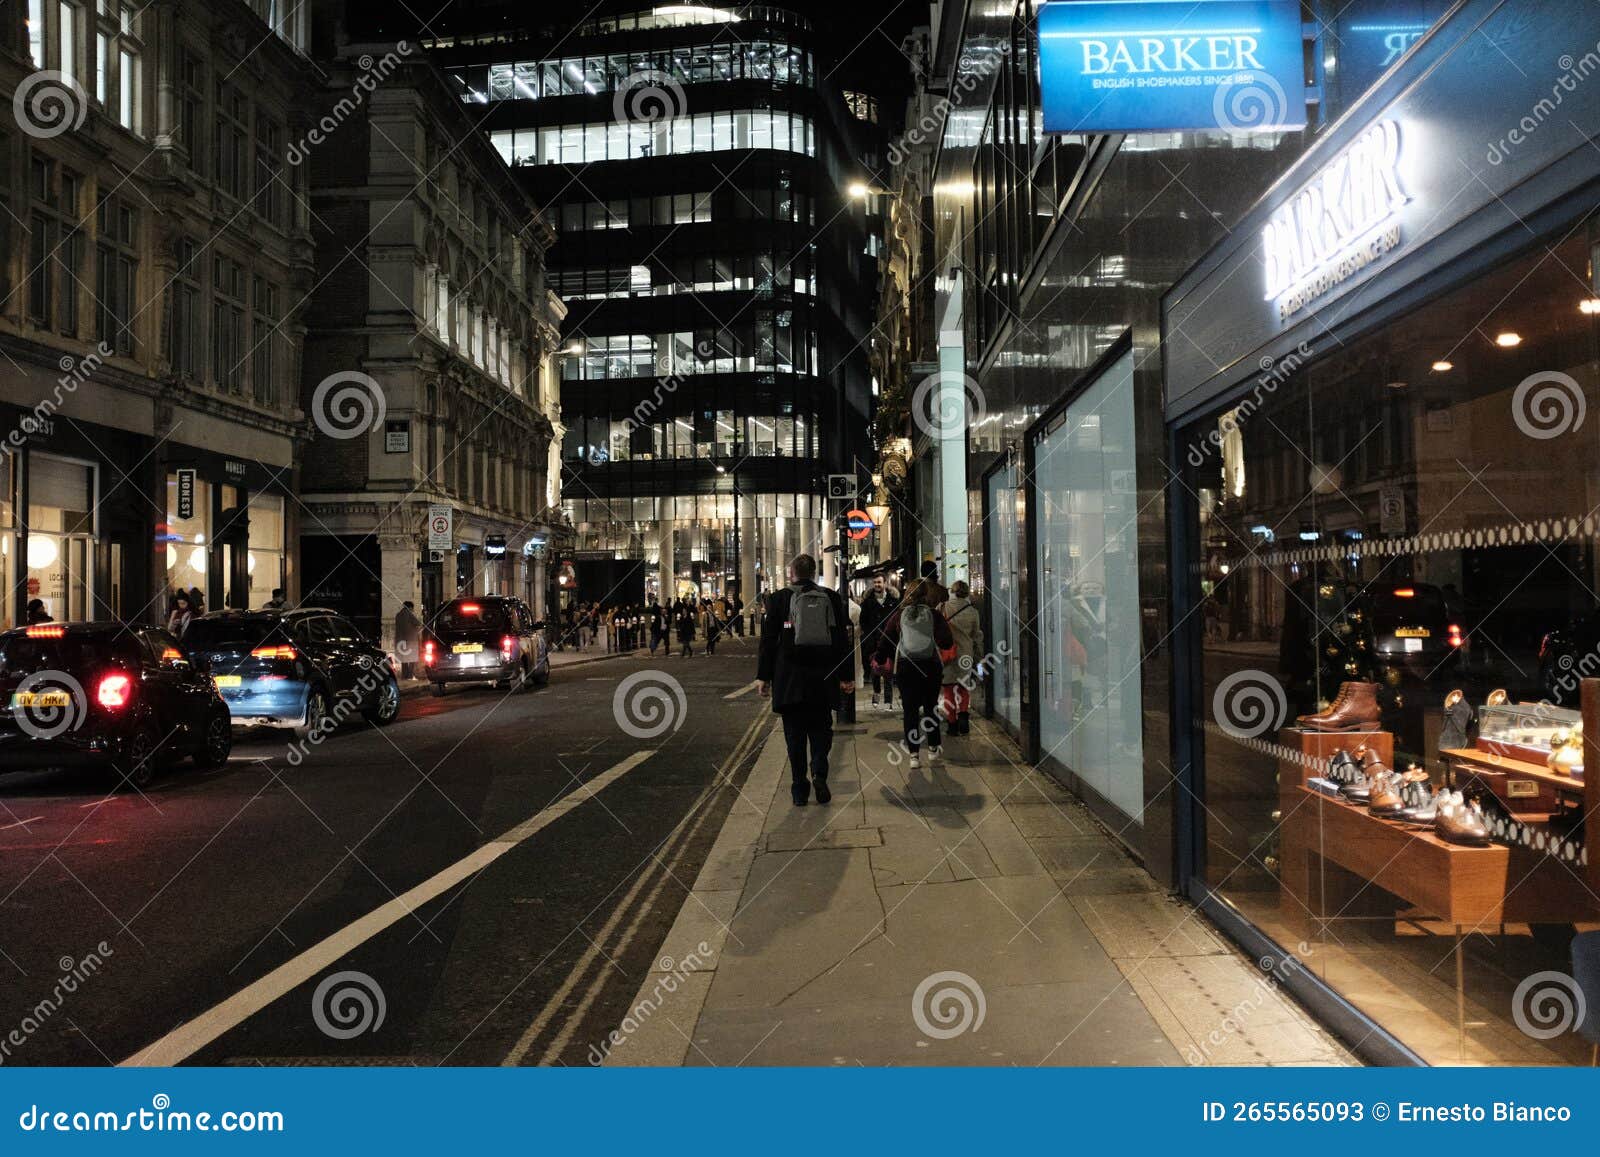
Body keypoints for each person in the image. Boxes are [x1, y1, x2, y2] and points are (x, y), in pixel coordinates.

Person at [758, 554, 853, 806]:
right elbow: (841, 640)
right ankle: (819, 772)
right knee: (822, 731)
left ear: (792, 573)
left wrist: (763, 677)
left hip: (790, 680)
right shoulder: (831, 598)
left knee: (794, 737)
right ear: (813, 573)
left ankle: (800, 788)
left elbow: (768, 641)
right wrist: (846, 676)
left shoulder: (778, 599)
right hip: (823, 678)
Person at [875, 579, 955, 770]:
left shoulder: (899, 615)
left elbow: (886, 640)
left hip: (906, 667)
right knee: (930, 707)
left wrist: (879, 658)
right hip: (930, 666)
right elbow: (946, 641)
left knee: (910, 711)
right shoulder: (934, 615)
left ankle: (914, 755)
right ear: (927, 595)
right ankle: (934, 748)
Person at [940, 581, 984, 736]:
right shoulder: (972, 611)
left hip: (947, 653)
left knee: (948, 690)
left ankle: (952, 724)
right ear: (966, 593)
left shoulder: (943, 607)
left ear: (952, 591)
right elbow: (976, 635)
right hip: (966, 653)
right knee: (964, 687)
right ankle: (964, 716)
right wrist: (979, 657)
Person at [857, 575, 901, 712]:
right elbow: (863, 621)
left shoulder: (893, 601)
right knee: (875, 671)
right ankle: (876, 695)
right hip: (873, 642)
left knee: (888, 671)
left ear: (885, 583)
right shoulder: (867, 602)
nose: (877, 584)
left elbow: (897, 620)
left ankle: (888, 702)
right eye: (875, 582)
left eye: (879, 582)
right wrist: (869, 633)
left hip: (889, 641)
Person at [394, 600, 422, 679]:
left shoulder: (398, 615)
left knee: (404, 659)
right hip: (411, 640)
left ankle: (404, 675)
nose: (412, 609)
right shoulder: (409, 614)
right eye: (412, 608)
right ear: (410, 607)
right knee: (412, 658)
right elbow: (418, 623)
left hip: (400, 640)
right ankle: (410, 675)